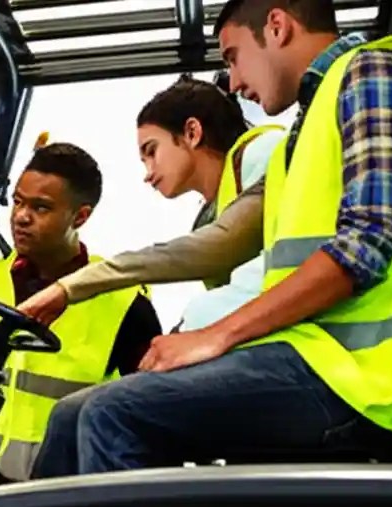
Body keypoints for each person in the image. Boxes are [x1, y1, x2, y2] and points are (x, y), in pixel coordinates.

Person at [33, 0, 392, 476]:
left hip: (373, 381)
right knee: (70, 417)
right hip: (316, 358)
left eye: (232, 56)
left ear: (277, 26)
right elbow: (223, 248)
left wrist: (213, 337)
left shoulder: (372, 72)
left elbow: (368, 242)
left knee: (114, 415)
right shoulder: (296, 144)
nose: (231, 83)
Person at [0, 142, 161, 487]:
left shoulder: (124, 302)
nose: (21, 216)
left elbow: (146, 413)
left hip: (55, 493)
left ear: (80, 216)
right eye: (17, 202)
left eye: (40, 208)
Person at [19, 74, 285, 332]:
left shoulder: (266, 151)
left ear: (192, 132)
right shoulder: (214, 209)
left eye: (151, 151)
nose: (147, 174)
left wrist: (72, 286)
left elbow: (222, 248)